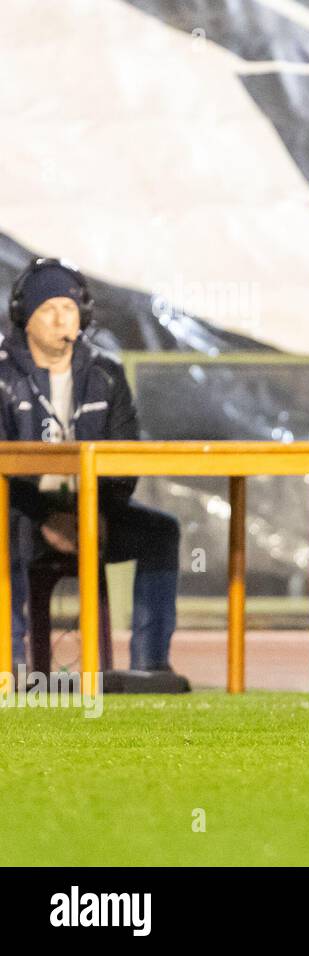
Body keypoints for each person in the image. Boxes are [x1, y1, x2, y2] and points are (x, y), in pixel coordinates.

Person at [1, 257, 185, 682]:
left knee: (161, 532)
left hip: (93, 512)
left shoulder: (106, 373)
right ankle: (9, 666)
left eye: (67, 307)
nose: (59, 318)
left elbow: (125, 459)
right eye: (47, 309)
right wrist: (47, 517)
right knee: (1, 531)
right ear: (24, 318)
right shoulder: (2, 376)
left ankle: (149, 666)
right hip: (21, 513)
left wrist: (91, 513)